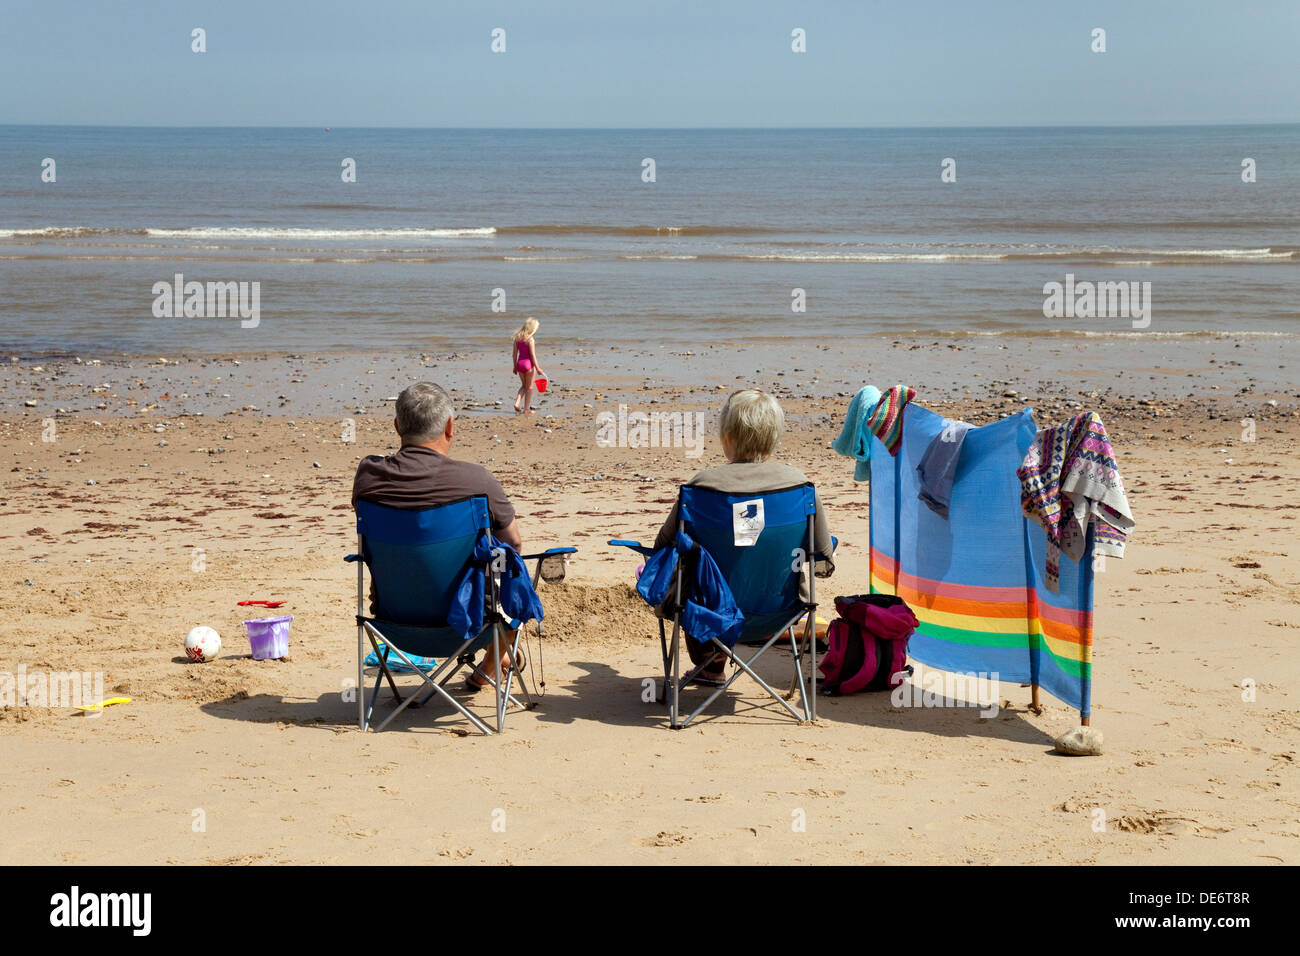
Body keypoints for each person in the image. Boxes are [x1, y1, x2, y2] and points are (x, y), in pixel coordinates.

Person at [651, 389, 834, 687]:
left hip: (710, 616)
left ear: (727, 437)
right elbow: (823, 553)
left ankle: (711, 665)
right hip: (778, 614)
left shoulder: (701, 487)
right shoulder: (800, 487)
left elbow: (663, 545)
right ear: (774, 438)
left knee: (689, 577)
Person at [352, 382, 522, 689]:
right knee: (511, 573)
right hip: (470, 627)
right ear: (449, 426)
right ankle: (493, 660)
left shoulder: (368, 477)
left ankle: (494, 660)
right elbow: (514, 543)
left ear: (396, 426)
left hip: (391, 624)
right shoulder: (477, 481)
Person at [511, 317, 544, 414]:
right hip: (528, 365)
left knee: (523, 386)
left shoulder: (517, 337)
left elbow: (514, 354)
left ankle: (517, 402)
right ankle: (526, 409)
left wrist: (514, 366)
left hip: (519, 364)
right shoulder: (530, 339)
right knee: (529, 387)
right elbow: (532, 355)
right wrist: (538, 368)